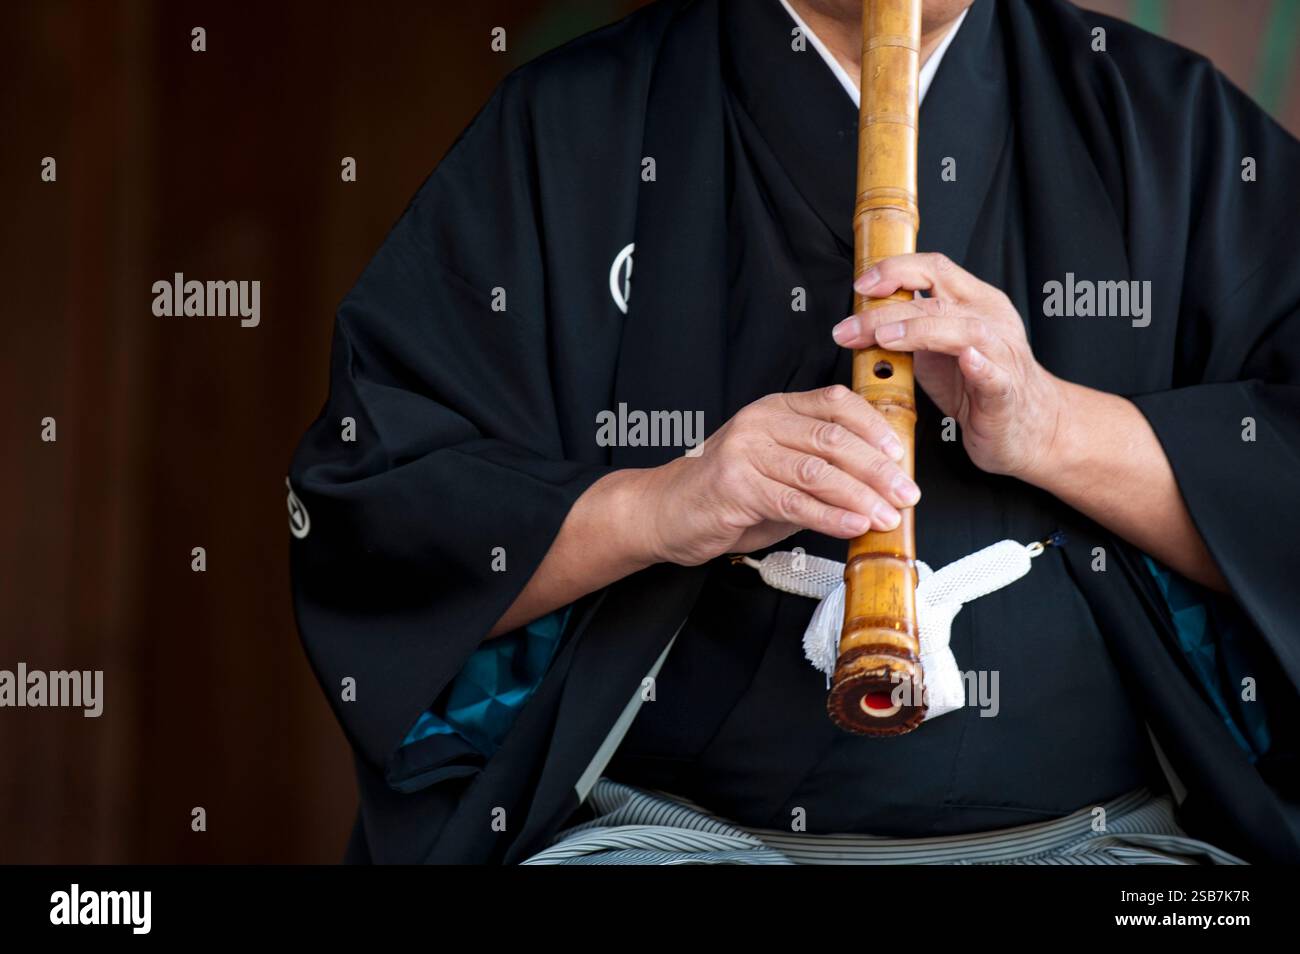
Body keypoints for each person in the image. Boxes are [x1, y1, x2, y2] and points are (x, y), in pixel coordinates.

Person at [289, 0, 1300, 864]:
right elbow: (374, 504)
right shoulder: (568, 132)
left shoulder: (1169, 129)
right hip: (673, 844)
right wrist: (663, 505)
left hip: (1106, 848)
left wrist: (1053, 428)